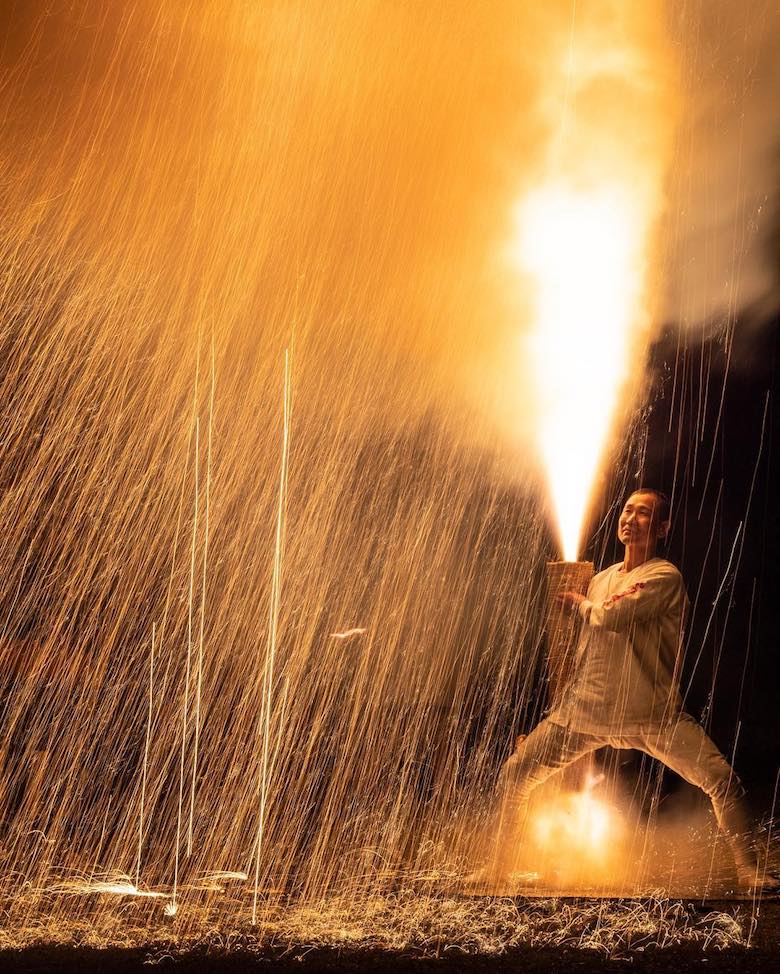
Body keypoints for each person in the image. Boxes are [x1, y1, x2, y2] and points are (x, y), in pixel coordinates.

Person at [468, 488, 777, 892]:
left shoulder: (663, 577)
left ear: (663, 527)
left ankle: (749, 871)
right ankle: (497, 867)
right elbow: (582, 646)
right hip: (586, 712)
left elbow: (614, 616)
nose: (631, 518)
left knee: (722, 781)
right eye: (628, 510)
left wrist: (580, 604)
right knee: (515, 776)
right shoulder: (598, 580)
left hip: (649, 713)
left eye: (644, 513)